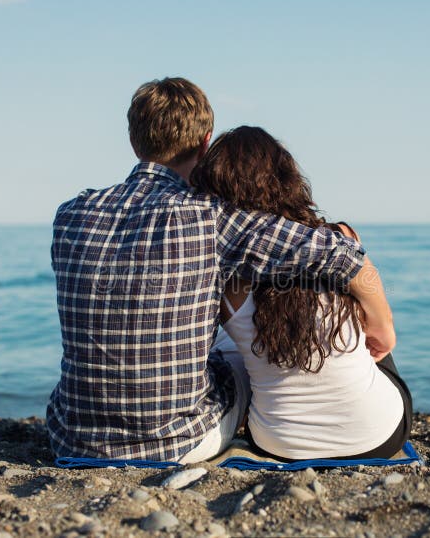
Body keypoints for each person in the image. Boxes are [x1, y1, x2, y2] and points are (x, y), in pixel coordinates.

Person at [46, 77, 378, 462]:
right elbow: (343, 255)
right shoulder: (209, 216)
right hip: (176, 443)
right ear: (205, 143)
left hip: (72, 437)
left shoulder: (70, 214)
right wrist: (382, 325)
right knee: (236, 354)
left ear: (135, 141)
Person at [190, 126, 413, 460]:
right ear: (285, 177)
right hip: (377, 437)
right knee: (374, 341)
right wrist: (382, 325)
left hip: (279, 444)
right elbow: (372, 310)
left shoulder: (224, 274)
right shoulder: (340, 238)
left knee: (238, 350)